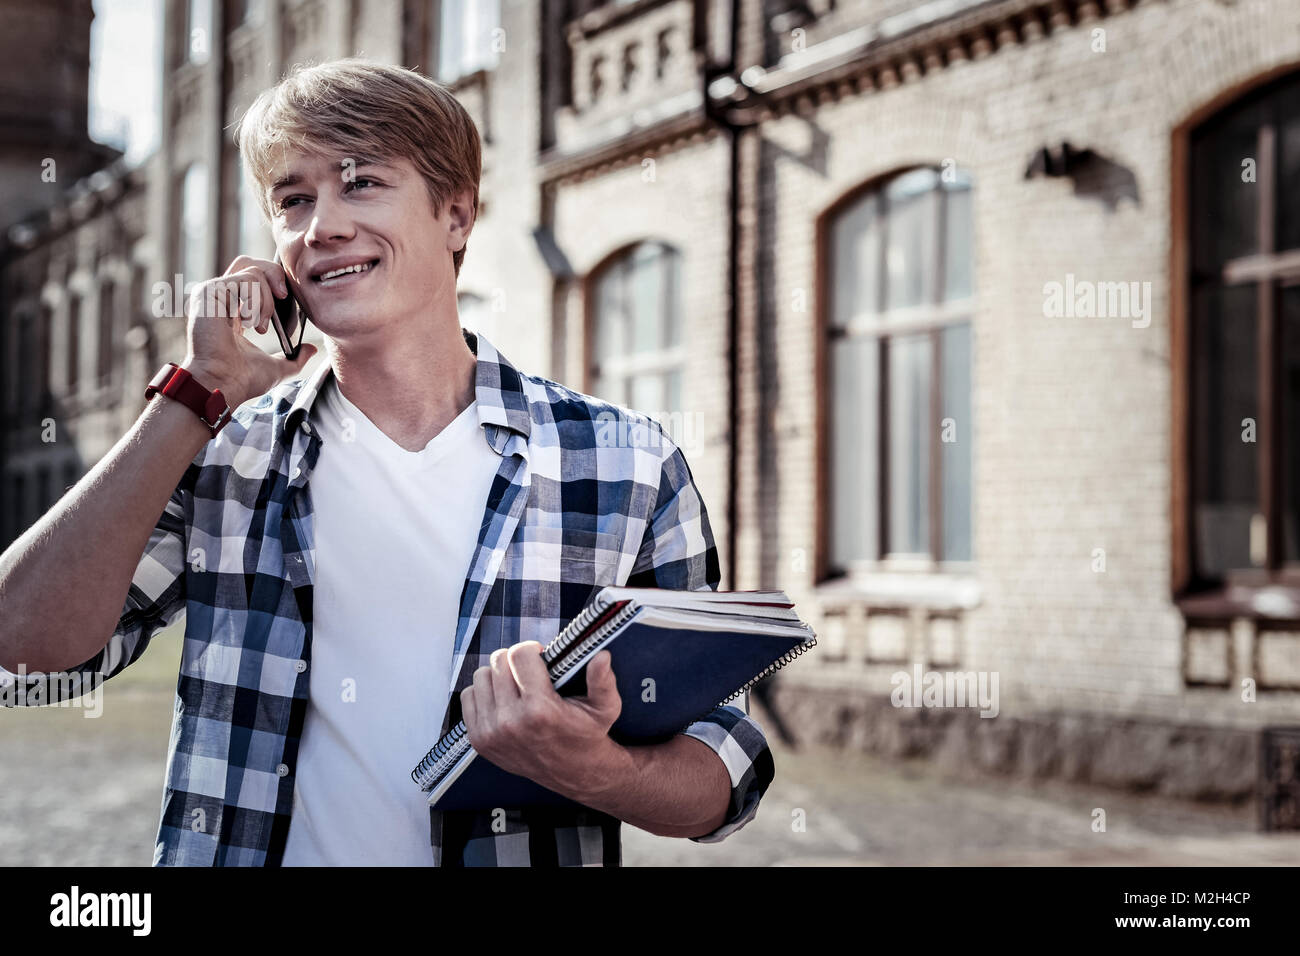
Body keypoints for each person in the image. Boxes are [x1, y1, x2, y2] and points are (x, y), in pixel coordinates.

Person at [0, 59, 774, 866]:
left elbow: (726, 773)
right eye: (294, 200)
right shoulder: (223, 453)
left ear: (456, 214)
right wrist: (194, 393)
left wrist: (594, 770)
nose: (321, 227)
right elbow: (21, 658)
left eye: (362, 182)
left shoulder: (624, 464)